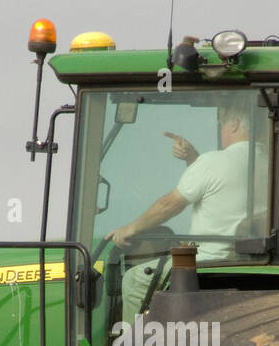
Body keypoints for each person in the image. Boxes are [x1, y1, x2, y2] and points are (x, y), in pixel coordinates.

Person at [106, 102, 256, 322]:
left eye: (222, 125)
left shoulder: (213, 162)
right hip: (247, 259)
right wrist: (192, 159)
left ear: (233, 124)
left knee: (134, 279)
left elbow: (168, 206)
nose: (222, 130)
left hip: (208, 261)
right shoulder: (267, 160)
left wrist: (130, 229)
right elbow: (221, 188)